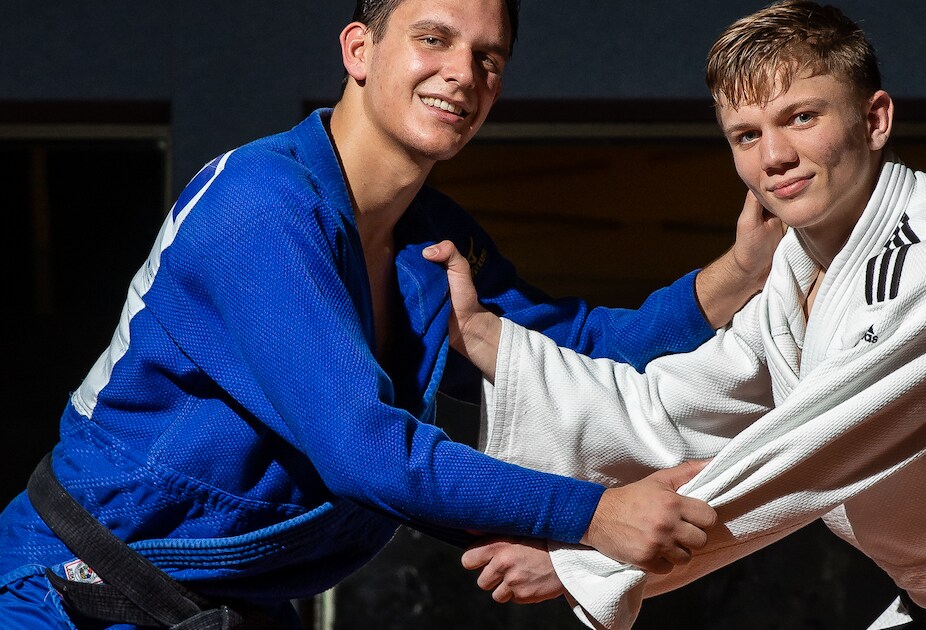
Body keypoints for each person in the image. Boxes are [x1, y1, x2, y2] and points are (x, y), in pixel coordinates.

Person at [0, 0, 784, 627]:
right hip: (81, 589)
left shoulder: (432, 243)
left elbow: (580, 348)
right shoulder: (258, 207)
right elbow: (366, 450)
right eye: (433, 39)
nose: (462, 75)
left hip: (236, 602)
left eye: (488, 58)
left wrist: (742, 269)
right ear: (359, 51)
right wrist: (593, 517)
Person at [425, 1, 926, 628]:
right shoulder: (800, 267)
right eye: (747, 135)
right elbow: (672, 407)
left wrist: (588, 560)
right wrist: (489, 339)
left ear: (875, 119)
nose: (774, 157)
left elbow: (805, 456)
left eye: (801, 118)